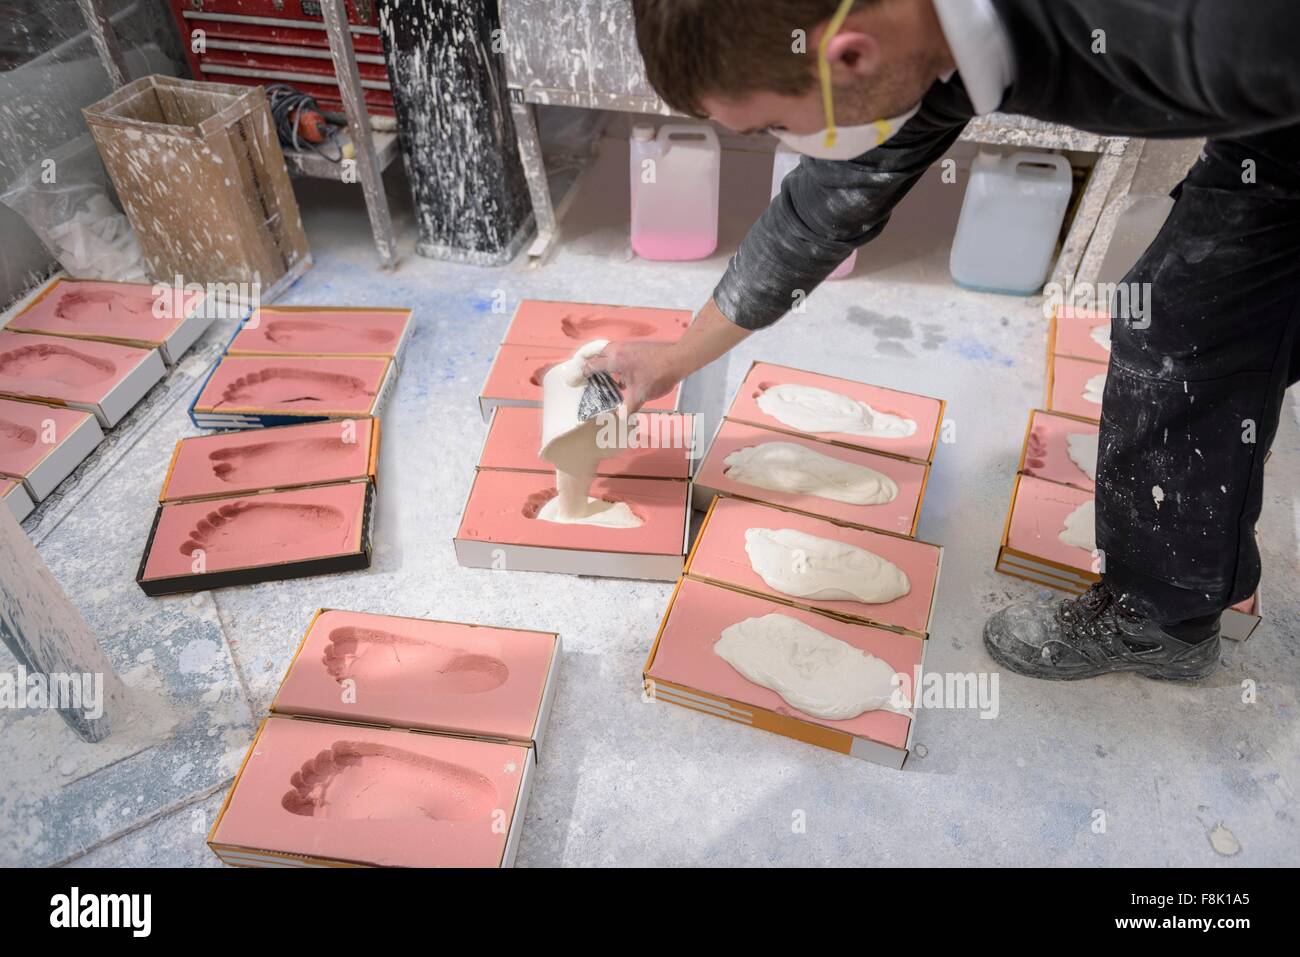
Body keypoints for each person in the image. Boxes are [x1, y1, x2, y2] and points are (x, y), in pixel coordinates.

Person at [585, 0, 1300, 680]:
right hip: (1268, 121)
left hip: (1268, 75)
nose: (782, 145)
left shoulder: (1199, 31)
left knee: (1199, 331)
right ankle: (1170, 609)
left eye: (773, 125)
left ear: (850, 56)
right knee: (1183, 319)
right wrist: (675, 358)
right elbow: (819, 216)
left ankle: (1166, 610)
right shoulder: (911, 42)